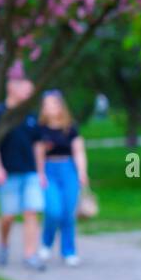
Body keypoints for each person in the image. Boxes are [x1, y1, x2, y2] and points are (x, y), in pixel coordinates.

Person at [0, 79, 44, 270]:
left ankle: (30, 255)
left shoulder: (30, 115)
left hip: (30, 173)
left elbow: (37, 144)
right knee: (9, 216)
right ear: (11, 86)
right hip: (8, 173)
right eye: (25, 87)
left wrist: (41, 171)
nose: (30, 91)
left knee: (31, 212)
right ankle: (3, 244)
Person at [36, 90, 89, 267]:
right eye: (46, 104)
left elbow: (78, 151)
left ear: (60, 106)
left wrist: (82, 172)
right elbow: (38, 153)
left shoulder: (70, 127)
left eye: (53, 103)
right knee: (53, 210)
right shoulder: (40, 129)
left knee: (68, 212)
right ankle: (46, 242)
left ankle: (69, 251)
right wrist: (40, 172)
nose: (50, 108)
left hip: (68, 169)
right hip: (49, 170)